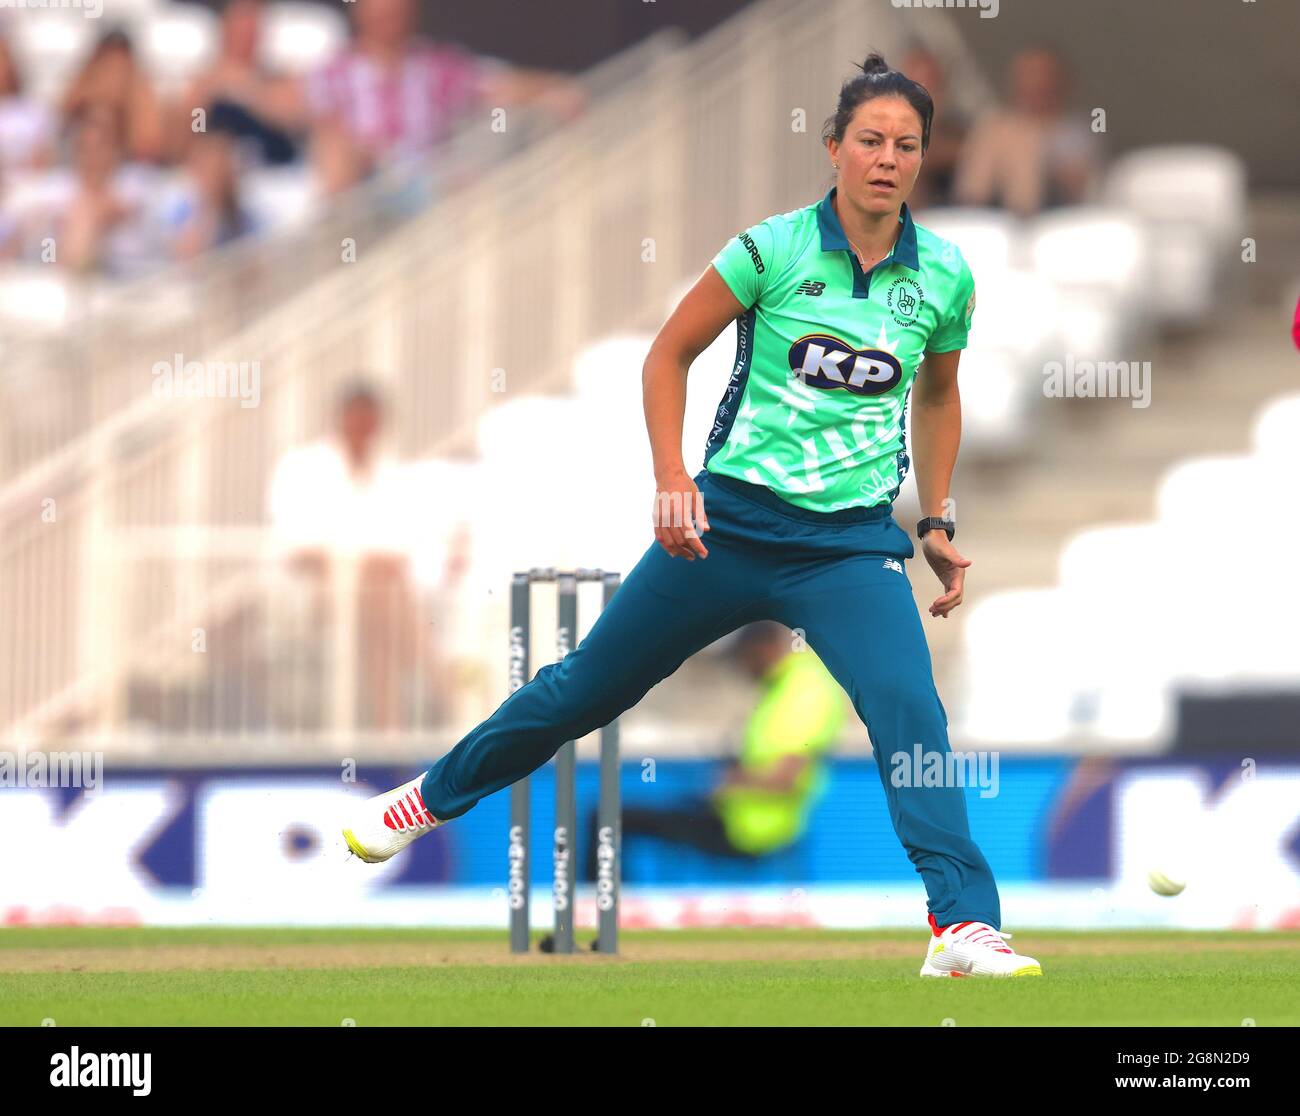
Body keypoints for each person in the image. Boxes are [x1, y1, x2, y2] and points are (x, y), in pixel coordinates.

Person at [341, 53, 1041, 979]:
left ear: (923, 158)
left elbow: (939, 396)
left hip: (847, 544)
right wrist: (673, 477)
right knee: (586, 690)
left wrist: (937, 520)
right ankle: (424, 800)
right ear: (833, 147)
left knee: (911, 711)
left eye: (907, 146)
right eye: (870, 140)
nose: (888, 159)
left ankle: (962, 927)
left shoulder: (945, 276)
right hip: (728, 526)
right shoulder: (770, 250)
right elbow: (667, 354)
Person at [583, 622, 845, 881]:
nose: (740, 669)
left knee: (608, 816)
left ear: (761, 649)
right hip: (741, 818)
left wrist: (725, 782)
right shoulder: (786, 686)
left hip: (749, 829)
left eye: (741, 658)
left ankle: (605, 900)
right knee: (633, 812)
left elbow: (786, 780)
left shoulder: (803, 690)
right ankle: (617, 898)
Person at [307, 0, 585, 193]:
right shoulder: (333, 74)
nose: (388, 17)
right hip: (365, 192)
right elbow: (319, 134)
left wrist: (553, 89)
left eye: (396, 11)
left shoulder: (435, 67)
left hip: (431, 185)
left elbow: (496, 85)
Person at [953, 44, 1097, 216]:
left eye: (1042, 74)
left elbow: (1080, 185)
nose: (1035, 82)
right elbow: (972, 188)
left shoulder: (1077, 130)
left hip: (1056, 217)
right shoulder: (994, 128)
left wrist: (1038, 150)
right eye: (1028, 75)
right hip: (986, 217)